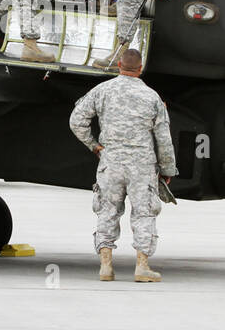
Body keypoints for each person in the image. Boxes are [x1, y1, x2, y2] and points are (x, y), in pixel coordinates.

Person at [68, 48, 178, 282]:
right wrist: (167, 169)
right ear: (141, 69)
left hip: (111, 162)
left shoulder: (102, 90)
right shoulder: (152, 97)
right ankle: (142, 267)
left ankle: (106, 266)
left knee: (107, 211)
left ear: (119, 65)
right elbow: (164, 139)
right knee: (144, 213)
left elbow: (77, 120)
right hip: (142, 166)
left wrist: (95, 146)